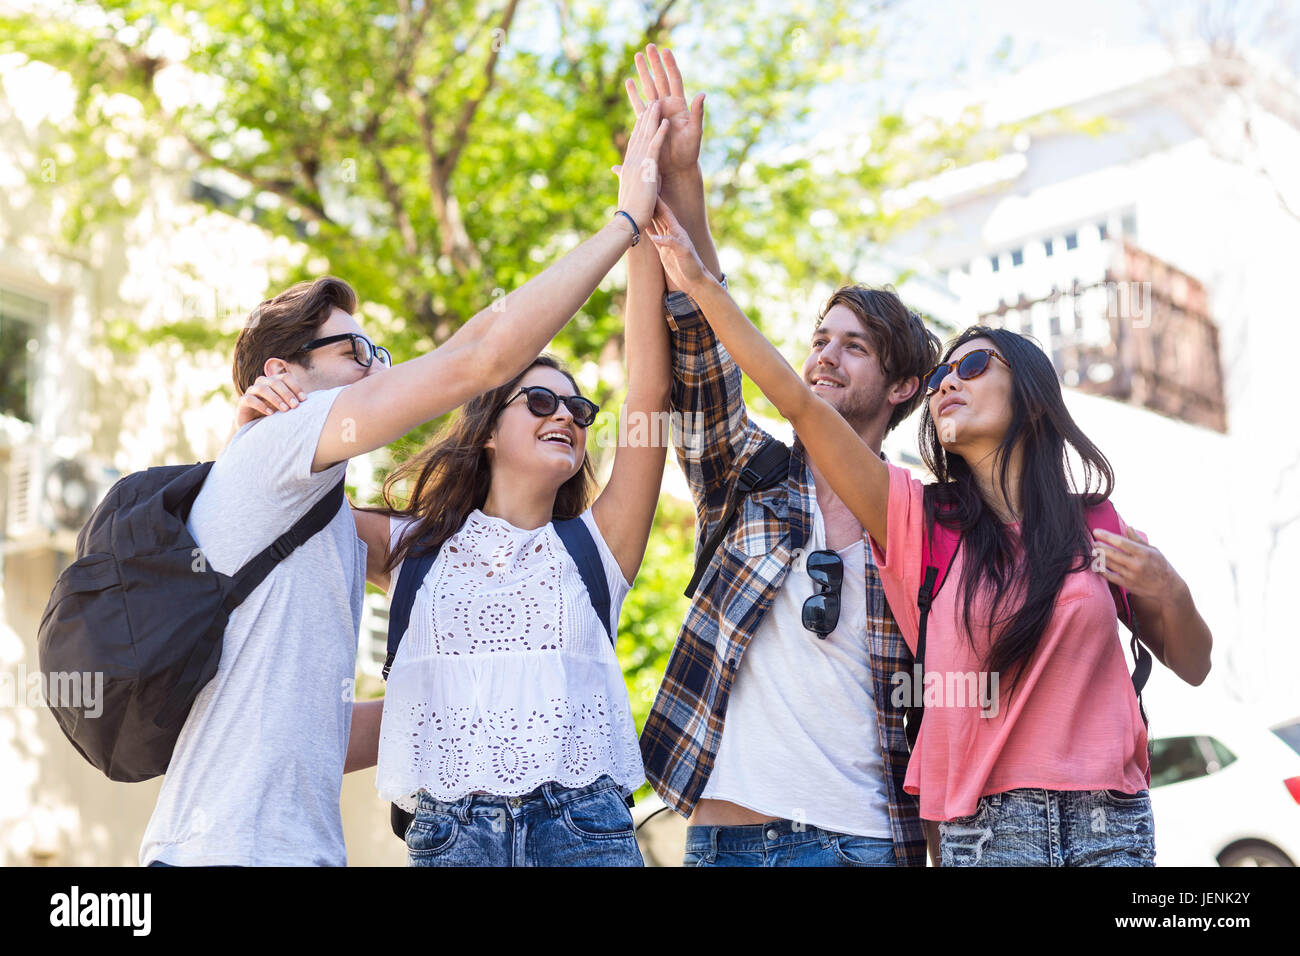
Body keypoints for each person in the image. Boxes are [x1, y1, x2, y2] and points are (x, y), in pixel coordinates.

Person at [138, 101, 670, 867]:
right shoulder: (391, 535)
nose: (378, 371)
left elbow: (648, 401)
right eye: (541, 399)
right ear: (486, 429)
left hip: (566, 833)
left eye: (580, 407)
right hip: (402, 839)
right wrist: (625, 220)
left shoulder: (588, 551)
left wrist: (652, 230)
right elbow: (479, 357)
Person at [645, 198, 1214, 867]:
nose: (950, 383)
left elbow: (1195, 663)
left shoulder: (1095, 523)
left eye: (973, 367)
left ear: (1029, 396)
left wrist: (1168, 589)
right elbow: (793, 402)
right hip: (987, 832)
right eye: (944, 374)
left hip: (1108, 823)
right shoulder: (924, 521)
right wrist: (700, 284)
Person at [626, 44, 938, 867]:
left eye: (856, 348)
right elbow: (703, 345)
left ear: (903, 385)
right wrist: (684, 180)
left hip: (860, 842)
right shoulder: (750, 479)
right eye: (819, 340)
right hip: (726, 838)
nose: (825, 357)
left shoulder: (926, 520)